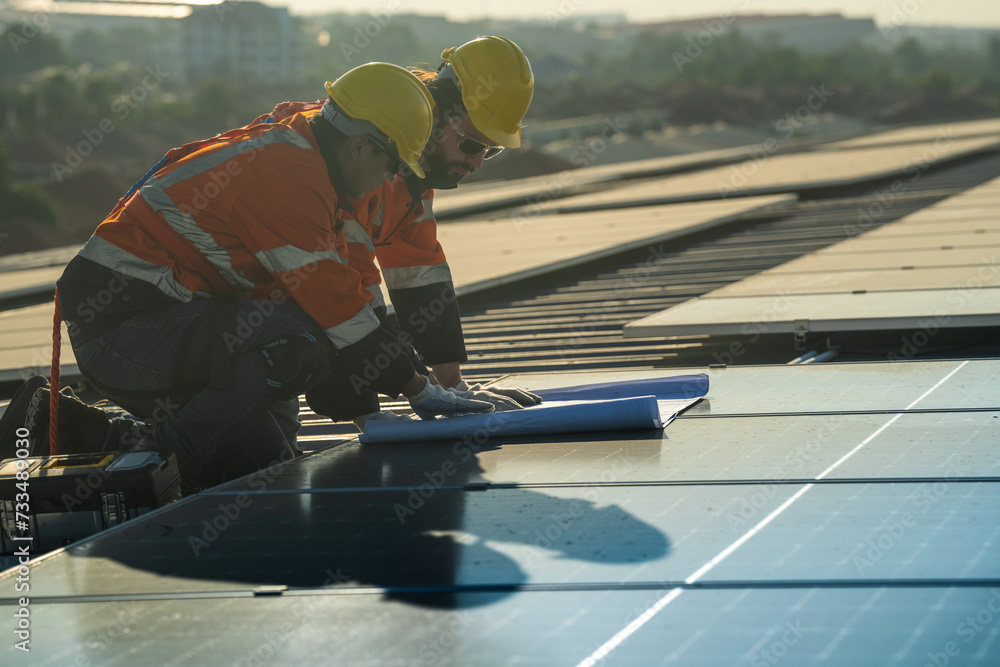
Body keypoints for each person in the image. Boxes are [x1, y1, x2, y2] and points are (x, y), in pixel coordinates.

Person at [5, 63, 508, 489]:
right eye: (392, 164)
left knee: (267, 470)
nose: (392, 179)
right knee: (299, 339)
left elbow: (349, 295)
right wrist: (418, 390)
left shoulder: (321, 169)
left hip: (179, 328)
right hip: (124, 330)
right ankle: (151, 461)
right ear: (359, 147)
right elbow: (334, 310)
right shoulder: (290, 177)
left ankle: (90, 434)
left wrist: (396, 399)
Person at [292, 36, 543, 428]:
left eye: (491, 150)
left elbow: (418, 272)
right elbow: (347, 294)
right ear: (436, 117)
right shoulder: (357, 158)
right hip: (221, 317)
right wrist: (371, 418)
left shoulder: (414, 172)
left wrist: (452, 385)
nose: (477, 162)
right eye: (471, 144)